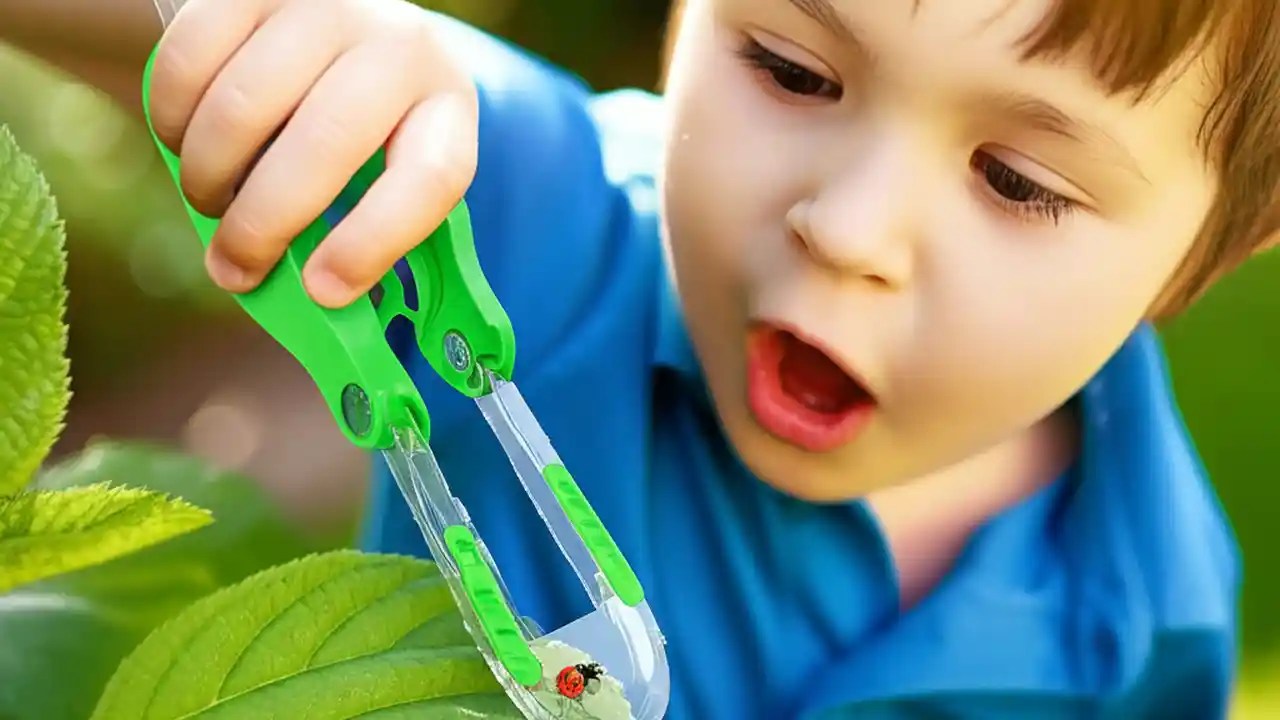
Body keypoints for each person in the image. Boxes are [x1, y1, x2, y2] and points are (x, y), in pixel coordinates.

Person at [3, 0, 1267, 716]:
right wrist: (290, 36)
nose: (845, 227)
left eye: (1014, 179)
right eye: (786, 67)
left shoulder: (1155, 598)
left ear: (1218, 241)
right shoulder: (544, 231)